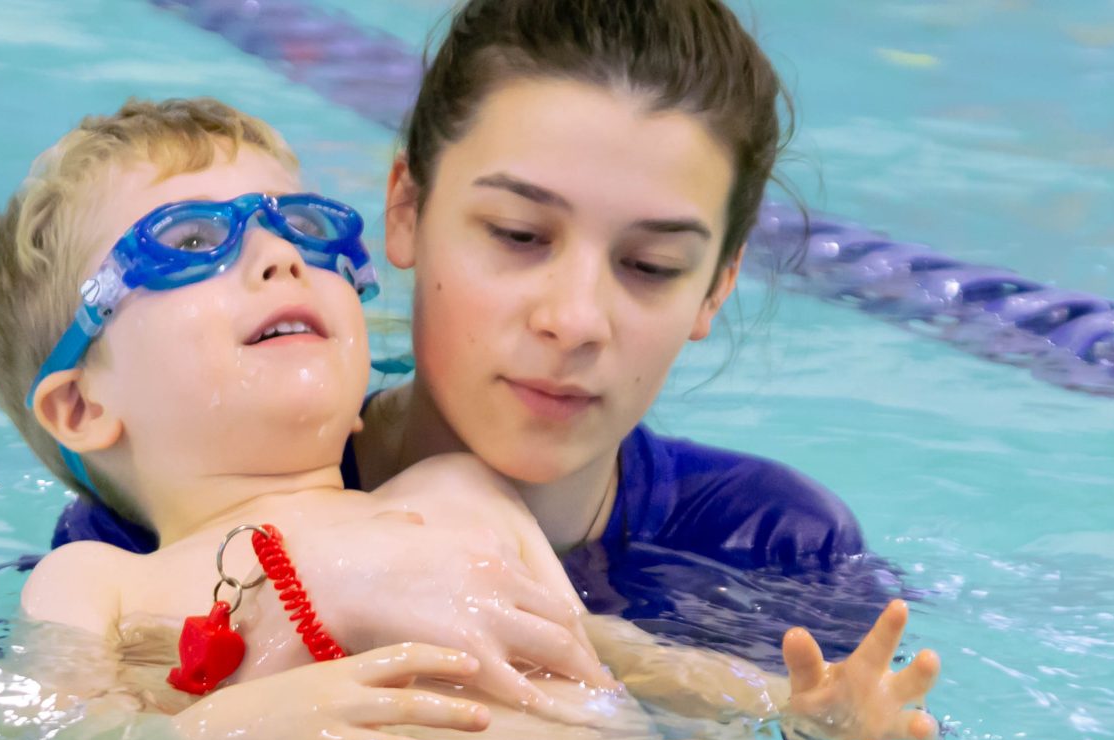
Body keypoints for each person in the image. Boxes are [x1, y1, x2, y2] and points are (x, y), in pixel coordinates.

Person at [0, 97, 935, 740]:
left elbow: (614, 657)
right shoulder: (97, 582)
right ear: (83, 408)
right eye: (189, 245)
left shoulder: (459, 494)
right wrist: (220, 738)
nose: (275, 259)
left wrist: (782, 712)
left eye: (303, 229)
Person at [51, 0, 896, 675]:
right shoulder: (174, 516)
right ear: (406, 210)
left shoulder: (778, 559)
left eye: (650, 264)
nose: (572, 320)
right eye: (518, 235)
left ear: (716, 287)